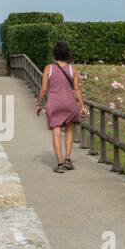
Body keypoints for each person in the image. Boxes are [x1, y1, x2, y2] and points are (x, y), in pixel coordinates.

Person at [36, 42, 88, 172]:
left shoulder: (49, 68)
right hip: (70, 104)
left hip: (54, 104)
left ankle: (59, 164)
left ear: (55, 53)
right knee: (70, 129)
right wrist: (82, 106)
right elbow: (76, 89)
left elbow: (43, 89)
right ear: (67, 54)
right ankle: (68, 159)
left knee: (56, 131)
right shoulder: (73, 69)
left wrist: (39, 104)